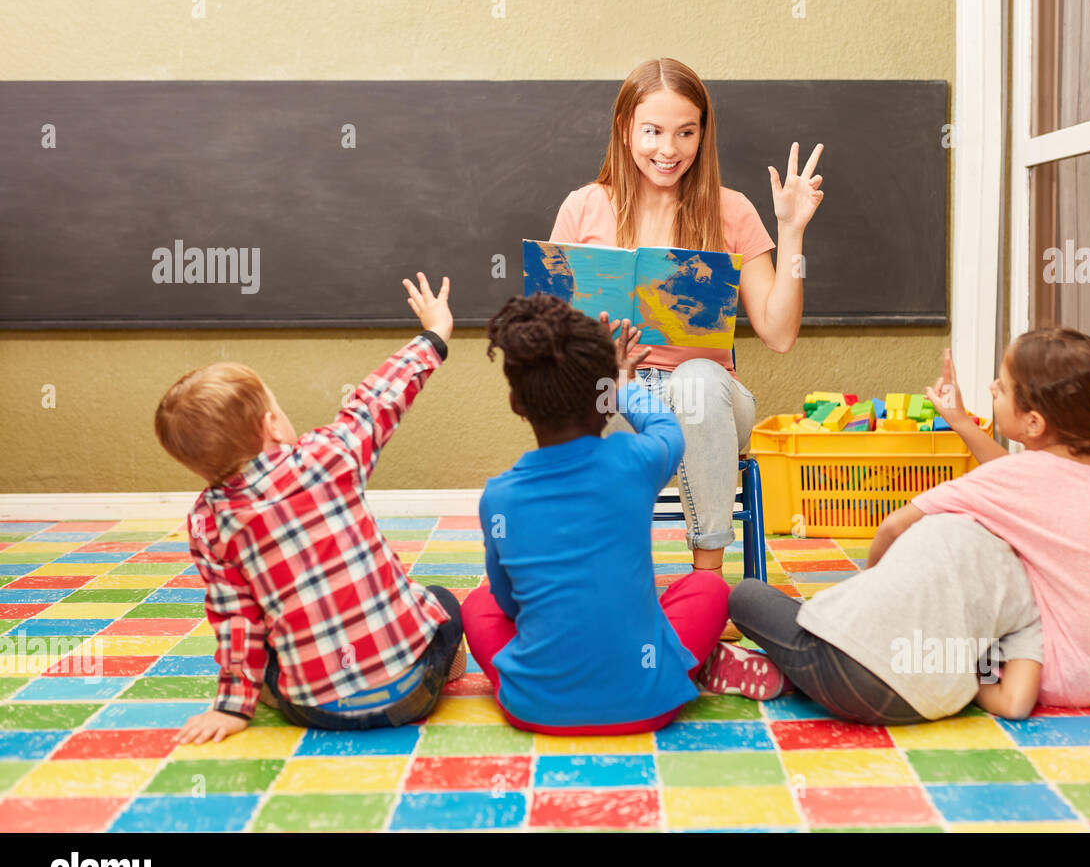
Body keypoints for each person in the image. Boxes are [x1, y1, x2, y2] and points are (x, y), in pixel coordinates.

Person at [702, 328, 1090, 721]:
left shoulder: (1018, 483)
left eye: (1002, 388)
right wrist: (962, 423)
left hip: (1069, 674)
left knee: (746, 597)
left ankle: (796, 671)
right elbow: (1024, 480)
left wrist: (875, 595)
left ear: (1033, 422)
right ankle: (805, 675)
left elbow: (891, 528)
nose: (990, 387)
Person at [548, 57, 825, 584]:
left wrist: (791, 232)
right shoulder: (583, 207)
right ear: (625, 129)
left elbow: (780, 333)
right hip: (617, 395)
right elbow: (552, 334)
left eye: (685, 133)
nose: (668, 149)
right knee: (584, 398)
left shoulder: (733, 210)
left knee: (696, 382)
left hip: (710, 402)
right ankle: (596, 581)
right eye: (651, 131)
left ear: (703, 134)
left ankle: (706, 584)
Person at [154, 273, 464, 741]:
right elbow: (380, 397)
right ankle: (434, 664)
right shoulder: (328, 455)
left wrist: (235, 707)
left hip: (316, 711)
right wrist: (434, 333)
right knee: (442, 601)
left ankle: (278, 688)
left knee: (269, 641)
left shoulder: (208, 521)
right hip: (409, 695)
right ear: (272, 425)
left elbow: (236, 618)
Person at [461, 293, 730, 734]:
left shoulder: (499, 497)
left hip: (535, 707)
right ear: (603, 399)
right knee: (709, 588)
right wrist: (624, 386)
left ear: (516, 403)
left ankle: (552, 672)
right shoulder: (635, 461)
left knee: (478, 603)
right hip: (649, 700)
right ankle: (688, 666)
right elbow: (667, 429)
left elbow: (509, 604)